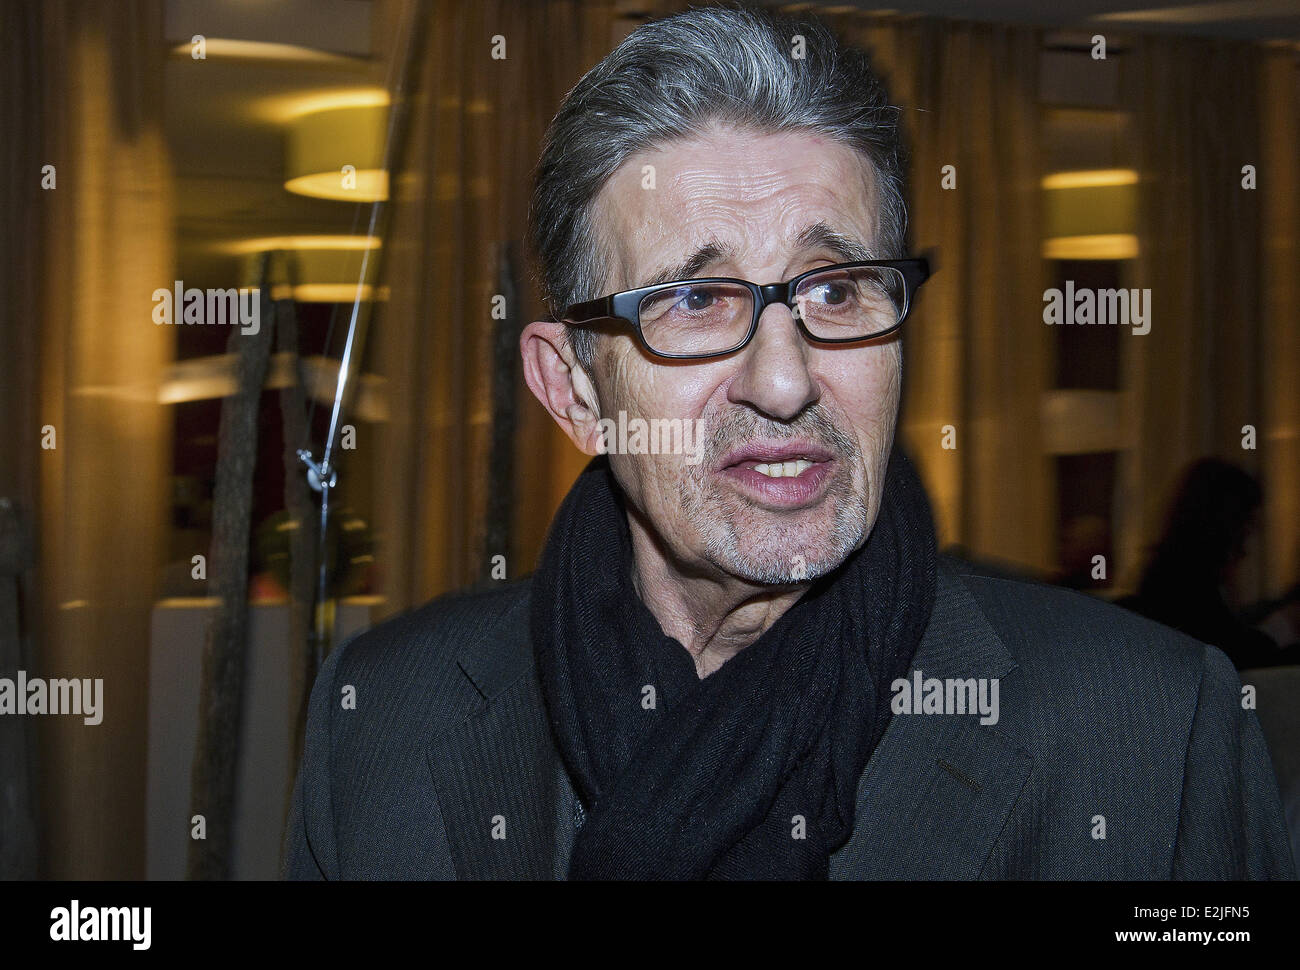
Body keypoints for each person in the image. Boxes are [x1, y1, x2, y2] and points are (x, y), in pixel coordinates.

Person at [284, 5, 1293, 880]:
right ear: (572, 388)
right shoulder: (385, 713)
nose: (783, 378)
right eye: (693, 297)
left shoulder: (1153, 729)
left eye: (836, 289)